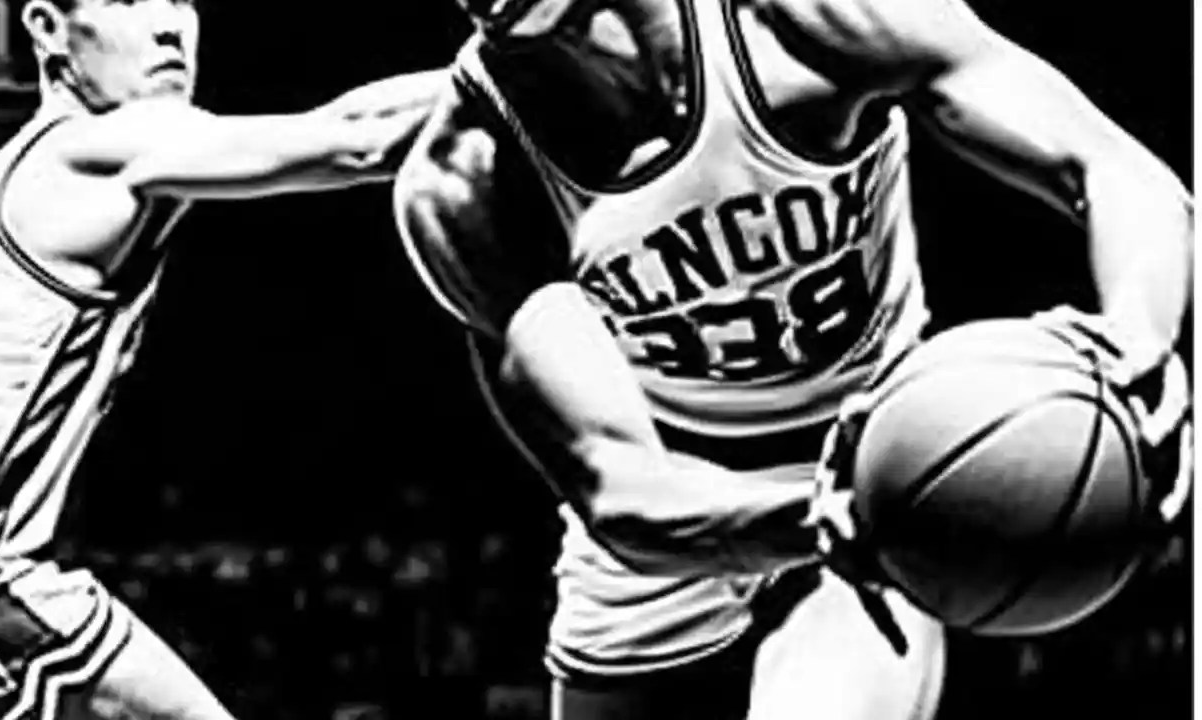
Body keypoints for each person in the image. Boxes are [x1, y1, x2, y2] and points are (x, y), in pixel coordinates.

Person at [392, 0, 1193, 718]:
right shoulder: (464, 173)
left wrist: (1140, 324)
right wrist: (841, 515)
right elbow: (621, 487)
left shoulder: (805, 21)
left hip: (874, 441)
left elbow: (1113, 168)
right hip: (674, 497)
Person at [0, 1, 445, 718]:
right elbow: (358, 139)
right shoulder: (92, 149)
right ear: (48, 29)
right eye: (128, 0)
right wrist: (529, 51)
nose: (169, 24)